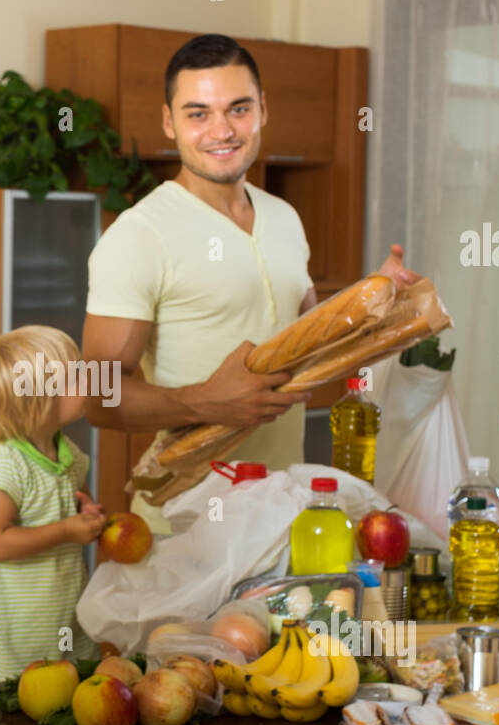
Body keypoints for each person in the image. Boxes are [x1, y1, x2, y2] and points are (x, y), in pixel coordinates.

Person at [82, 33, 416, 534]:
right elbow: (96, 395)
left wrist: (374, 302)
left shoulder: (284, 218)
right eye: (198, 113)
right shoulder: (139, 235)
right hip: (187, 523)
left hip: (284, 511)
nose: (221, 130)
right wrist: (203, 400)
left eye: (238, 109)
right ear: (169, 122)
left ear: (263, 109)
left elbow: (311, 347)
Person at [0, 326, 105, 686]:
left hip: (61, 614)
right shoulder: (4, 465)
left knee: (68, 694)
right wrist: (68, 530)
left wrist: (89, 517)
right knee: (12, 716)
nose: (87, 380)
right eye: (73, 377)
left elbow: (78, 507)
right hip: (10, 629)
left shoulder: (70, 456)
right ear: (35, 403)